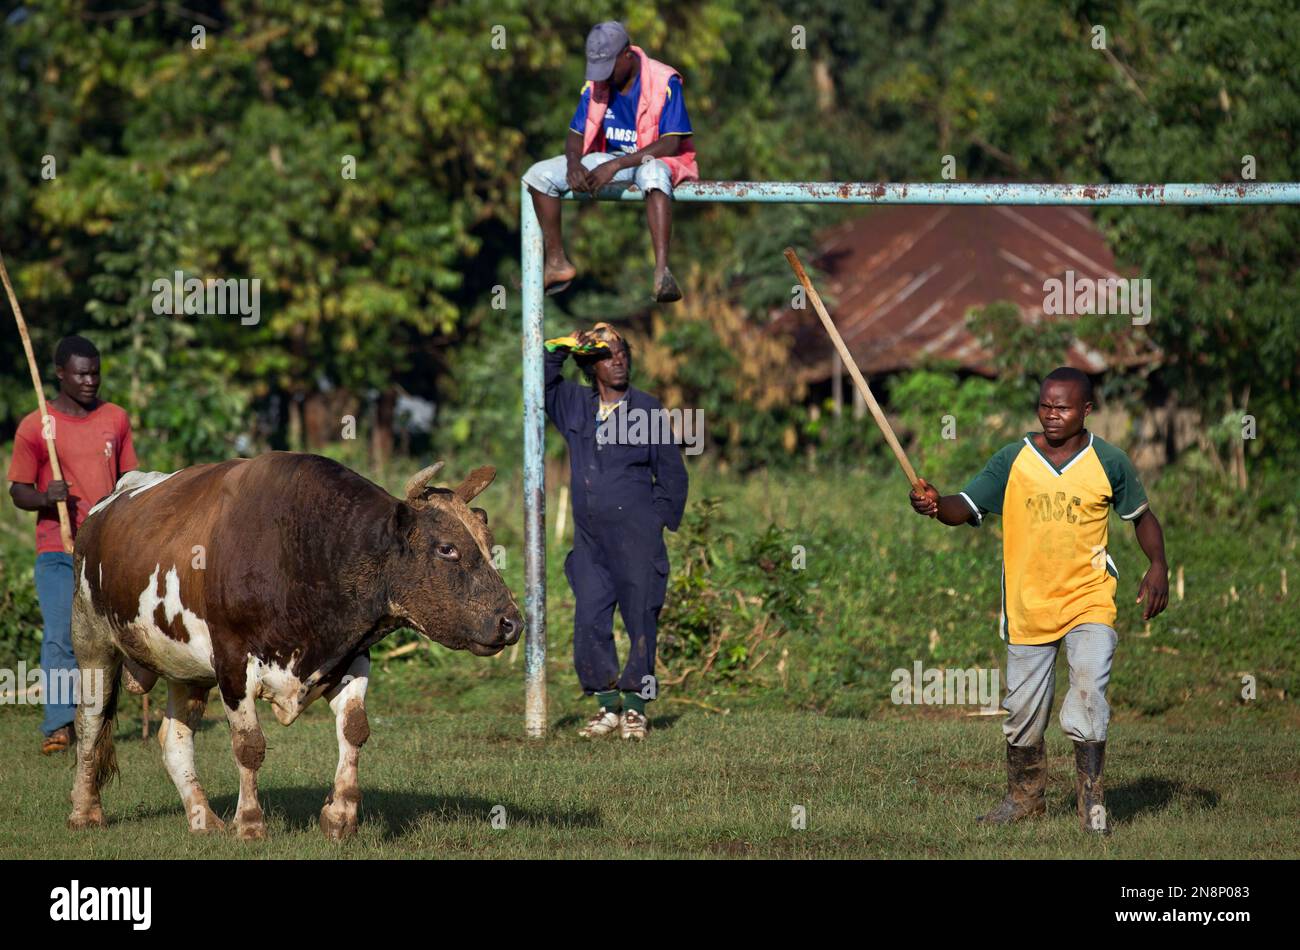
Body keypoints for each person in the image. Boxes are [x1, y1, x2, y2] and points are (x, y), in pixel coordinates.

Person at [908, 367, 1168, 834]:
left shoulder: (1109, 461)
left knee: (1088, 695)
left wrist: (1158, 565)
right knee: (1023, 715)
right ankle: (1025, 798)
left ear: (1086, 410)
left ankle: (1092, 805)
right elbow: (963, 506)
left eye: (1063, 407)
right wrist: (933, 503)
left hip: (1089, 601)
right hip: (1027, 606)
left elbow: (1142, 517)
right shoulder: (1014, 459)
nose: (1052, 414)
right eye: (1045, 405)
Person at [545, 323, 688, 739]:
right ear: (591, 365)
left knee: (641, 618)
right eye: (607, 354)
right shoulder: (573, 404)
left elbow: (673, 476)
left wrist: (653, 519)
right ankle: (607, 706)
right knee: (590, 618)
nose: (618, 359)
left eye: (622, 352)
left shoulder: (647, 409)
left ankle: (637, 709)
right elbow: (543, 378)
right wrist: (567, 343)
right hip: (589, 541)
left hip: (638, 539)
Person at [7, 335, 138, 754]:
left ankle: (99, 719)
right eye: (81, 373)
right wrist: (47, 497)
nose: (90, 381)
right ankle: (59, 724)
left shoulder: (115, 419)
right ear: (60, 374)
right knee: (62, 635)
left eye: (95, 372)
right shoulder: (36, 426)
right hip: (57, 551)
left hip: (105, 552)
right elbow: (17, 491)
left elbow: (128, 480)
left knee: (115, 638)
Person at [523, 20, 698, 303]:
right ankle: (557, 263)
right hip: (608, 159)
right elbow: (575, 133)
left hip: (654, 158)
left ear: (627, 54)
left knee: (652, 172)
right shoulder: (596, 85)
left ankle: (662, 272)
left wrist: (617, 165)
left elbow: (671, 142)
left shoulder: (665, 81)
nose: (603, 77)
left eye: (609, 69)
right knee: (537, 176)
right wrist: (573, 163)